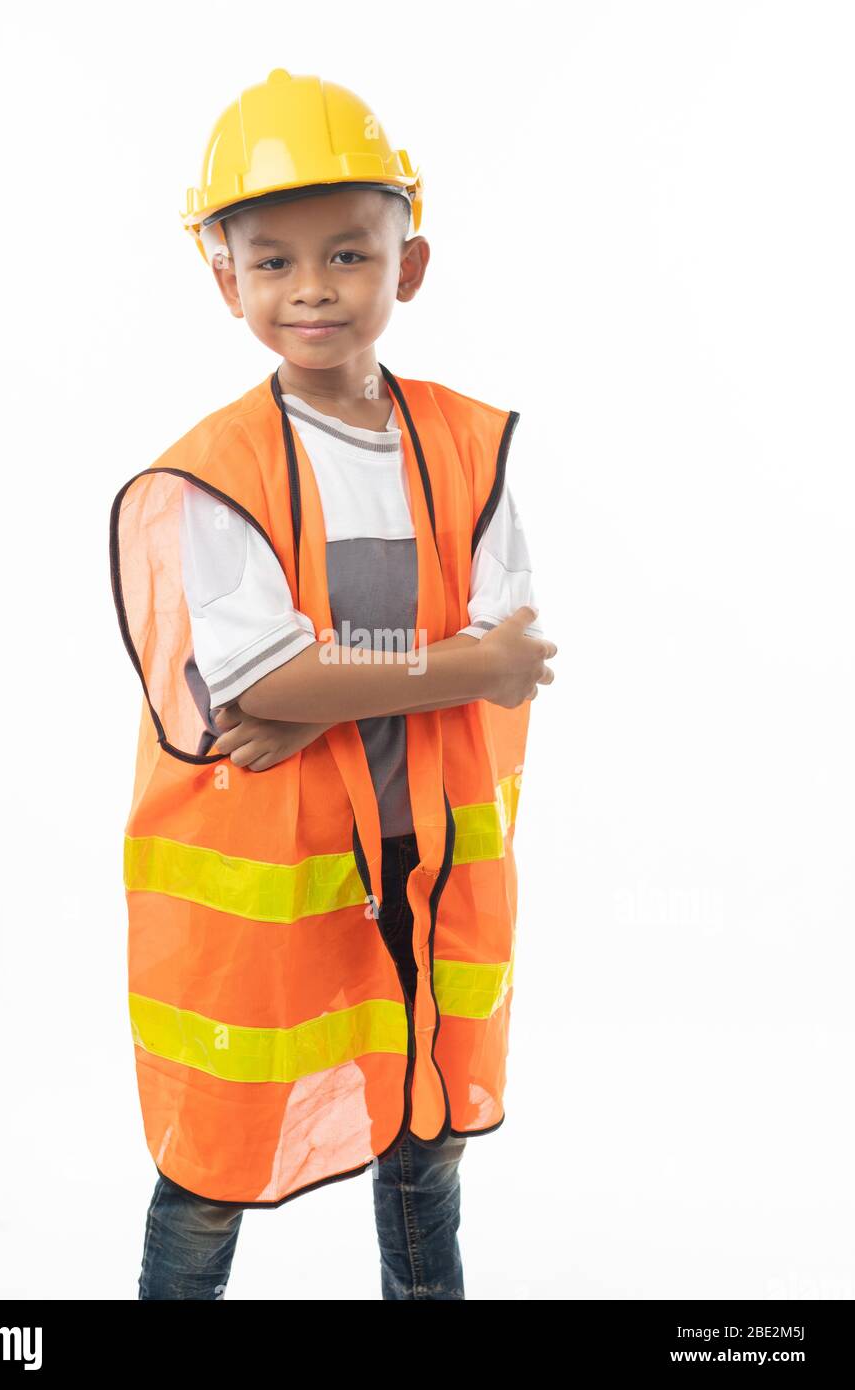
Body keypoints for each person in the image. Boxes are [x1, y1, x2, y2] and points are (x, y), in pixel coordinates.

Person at [109, 68, 558, 1301]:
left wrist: (311, 688)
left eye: (349, 253)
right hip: (270, 892)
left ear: (407, 264)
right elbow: (432, 661)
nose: (312, 287)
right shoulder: (216, 471)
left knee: (425, 1138)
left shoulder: (471, 445)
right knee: (212, 1159)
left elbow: (506, 650)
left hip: (430, 858)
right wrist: (446, 665)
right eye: (272, 261)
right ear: (225, 281)